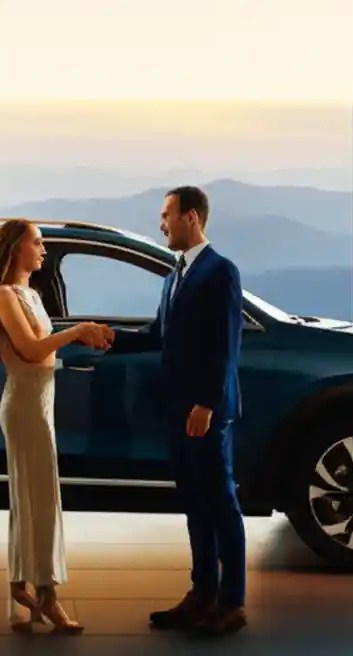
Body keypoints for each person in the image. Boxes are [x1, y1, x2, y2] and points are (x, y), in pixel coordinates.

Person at [112, 185, 248, 637]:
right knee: (194, 504)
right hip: (178, 411)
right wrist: (107, 337)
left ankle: (232, 602)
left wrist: (206, 404)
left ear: (191, 217)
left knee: (222, 504)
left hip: (203, 412)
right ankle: (201, 593)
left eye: (166, 215)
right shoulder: (176, 276)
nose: (161, 224)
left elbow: (226, 346)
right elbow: (160, 334)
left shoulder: (220, 271)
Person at [0, 218, 114, 634]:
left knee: (32, 498)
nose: (43, 250)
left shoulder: (30, 293)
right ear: (16, 249)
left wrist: (85, 335)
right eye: (37, 242)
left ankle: (21, 585)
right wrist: (77, 332)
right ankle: (47, 595)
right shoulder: (5, 295)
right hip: (24, 407)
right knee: (39, 500)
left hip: (40, 404)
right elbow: (31, 350)